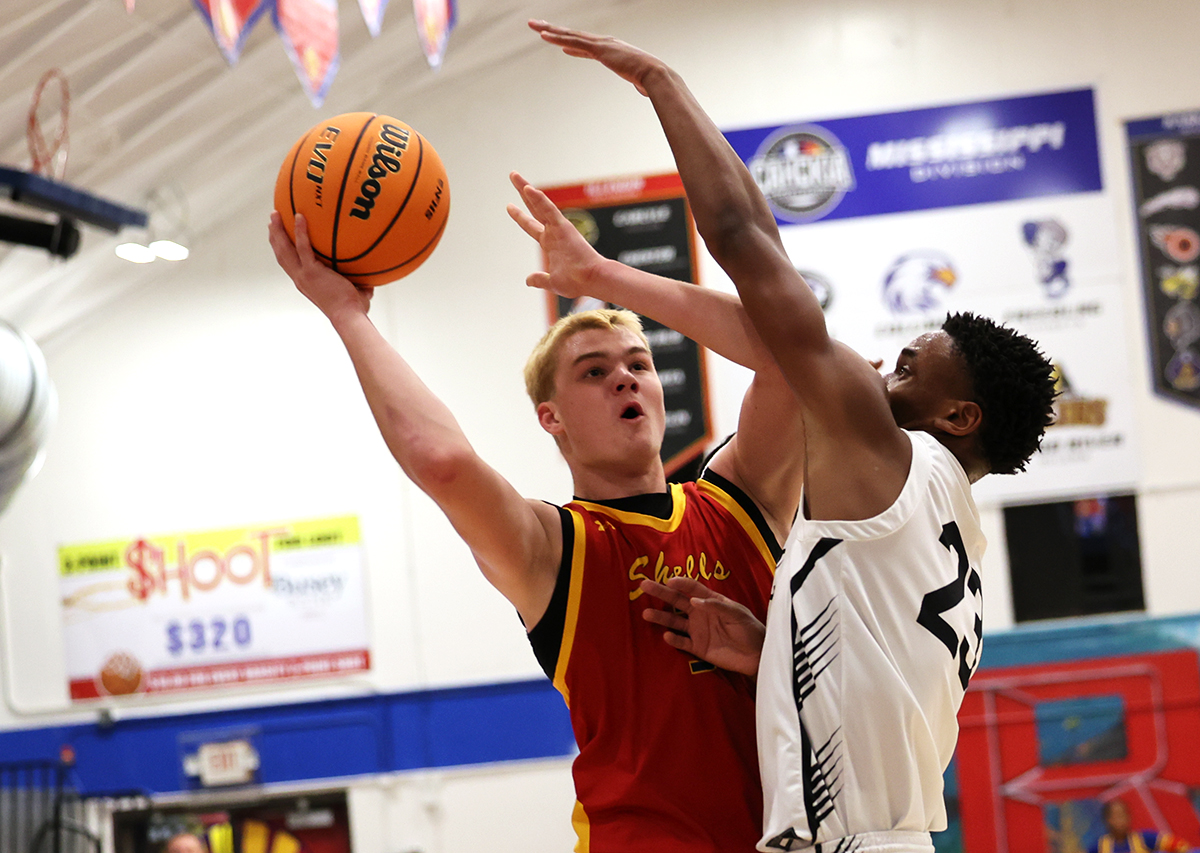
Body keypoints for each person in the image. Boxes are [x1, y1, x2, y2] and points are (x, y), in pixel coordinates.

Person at [524, 20, 1058, 853]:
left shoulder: (890, 458)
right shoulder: (957, 534)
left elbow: (745, 240)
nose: (884, 371)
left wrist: (662, 83)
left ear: (960, 417)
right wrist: (775, 650)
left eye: (910, 370)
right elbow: (870, 686)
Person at [268, 184, 805, 848]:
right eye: (593, 371)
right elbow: (442, 461)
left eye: (639, 363)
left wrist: (603, 277)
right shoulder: (555, 546)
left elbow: (793, 349)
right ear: (550, 418)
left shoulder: (737, 498)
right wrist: (348, 314)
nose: (625, 378)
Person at [1090, 800, 1189, 853]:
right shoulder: (1099, 846)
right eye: (1116, 816)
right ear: (1107, 820)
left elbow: (1181, 845)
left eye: (1123, 815)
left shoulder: (1144, 839)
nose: (1120, 821)